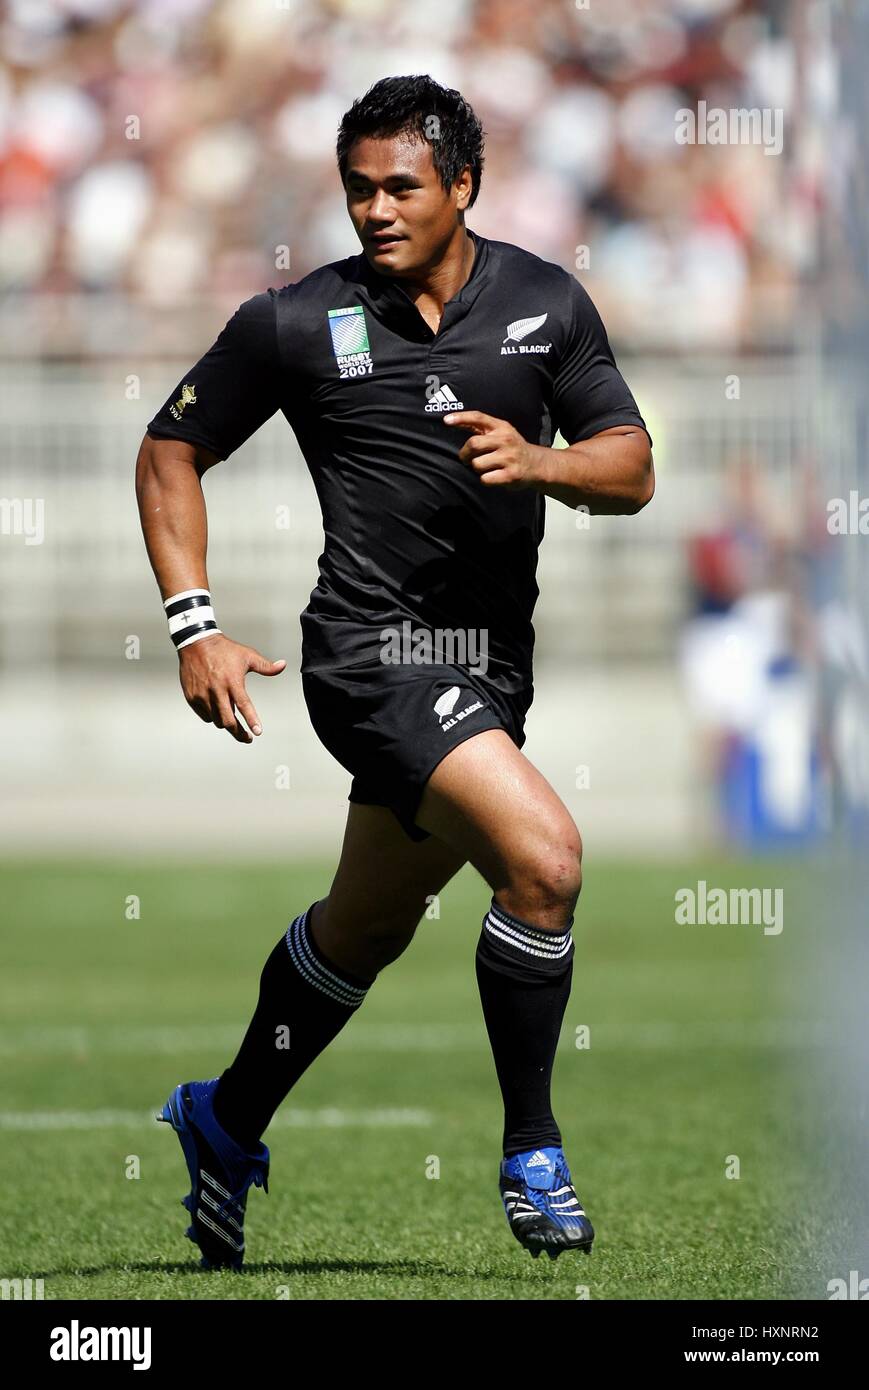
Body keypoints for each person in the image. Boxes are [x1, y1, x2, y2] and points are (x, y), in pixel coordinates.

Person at [136, 74, 654, 1269]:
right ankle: (532, 1145)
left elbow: (628, 464)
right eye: (357, 188)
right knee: (545, 861)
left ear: (463, 185)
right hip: (370, 658)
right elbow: (170, 448)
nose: (373, 210)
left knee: (364, 927)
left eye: (400, 187)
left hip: (486, 669)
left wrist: (541, 461)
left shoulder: (542, 300)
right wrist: (193, 622)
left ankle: (223, 1119)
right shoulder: (296, 321)